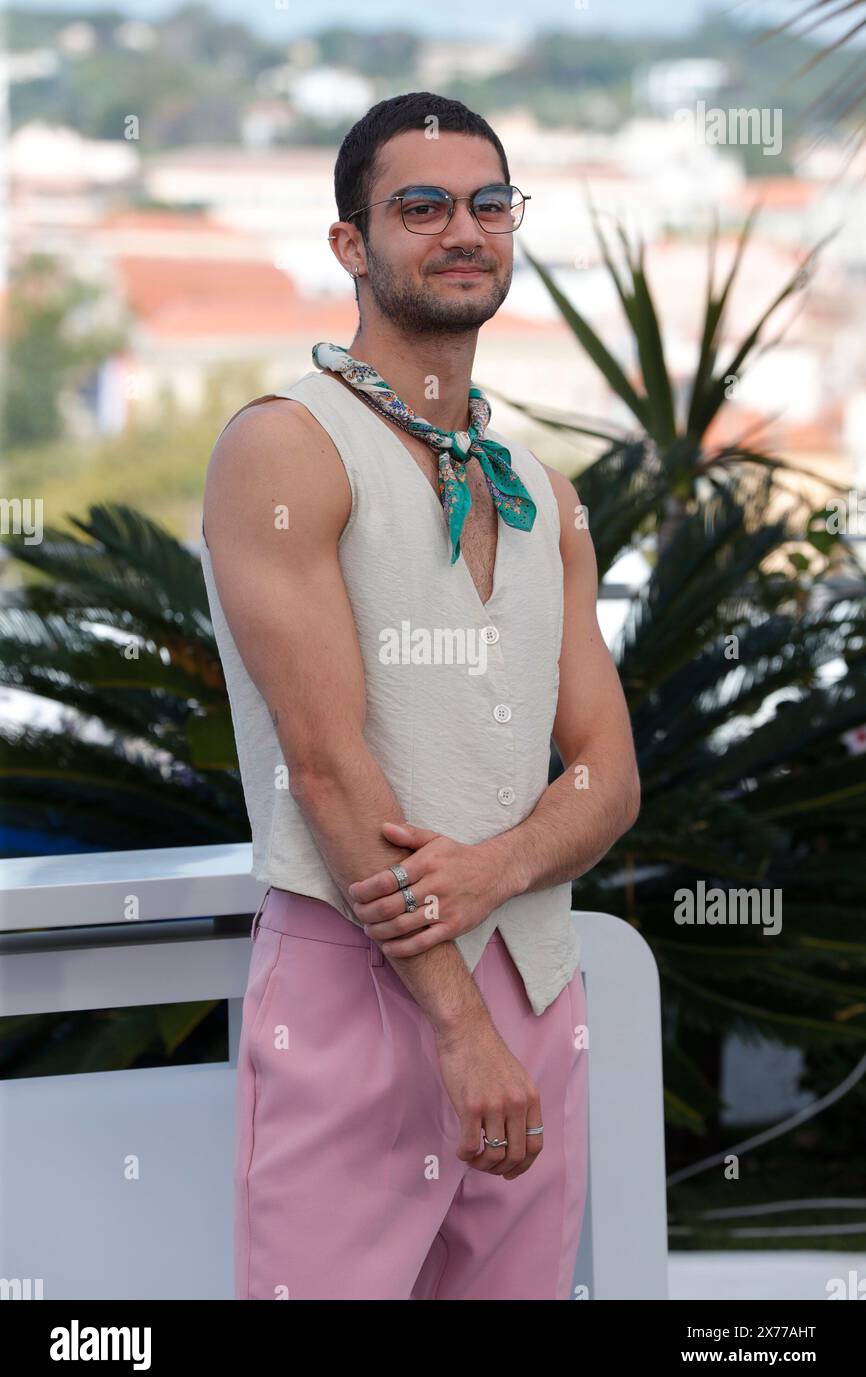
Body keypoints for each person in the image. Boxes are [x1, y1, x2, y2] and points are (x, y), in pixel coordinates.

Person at [200, 91, 640, 1301]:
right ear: (351, 243)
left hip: (539, 983)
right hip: (359, 990)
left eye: (489, 204)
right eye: (421, 206)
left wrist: (495, 874)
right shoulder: (287, 446)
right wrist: (456, 1023)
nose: (464, 229)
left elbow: (608, 771)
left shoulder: (542, 495)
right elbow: (326, 764)